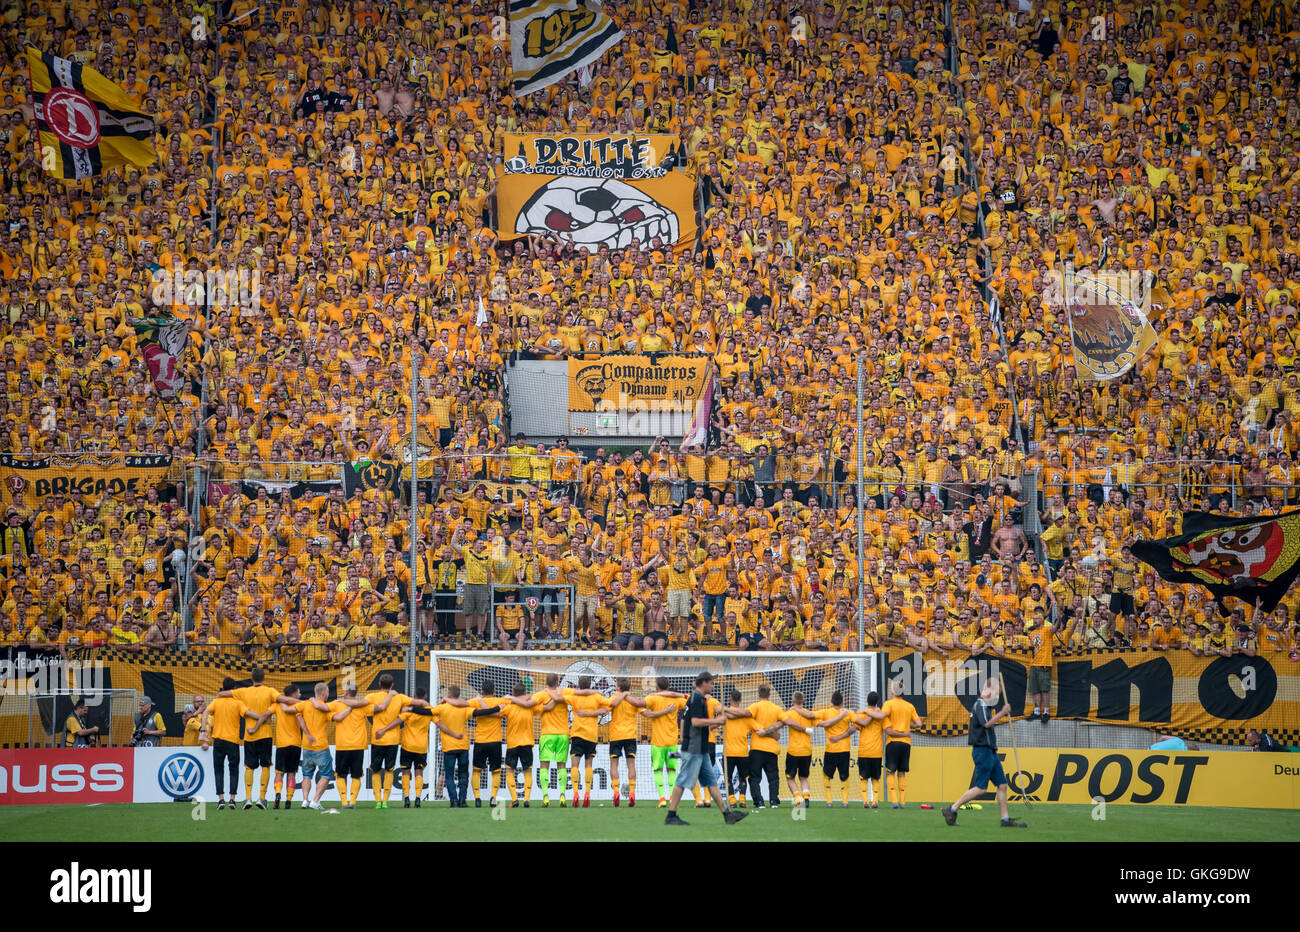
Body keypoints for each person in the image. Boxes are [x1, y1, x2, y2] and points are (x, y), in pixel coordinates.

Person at [663, 671, 749, 827]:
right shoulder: (696, 699)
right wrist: (717, 721)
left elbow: (689, 722)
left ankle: (727, 814)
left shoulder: (697, 699)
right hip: (694, 748)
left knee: (711, 783)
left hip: (700, 749)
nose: (713, 686)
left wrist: (715, 723)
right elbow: (695, 722)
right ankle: (671, 815)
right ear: (703, 683)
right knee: (682, 781)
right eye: (711, 683)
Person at [941, 677, 1027, 828]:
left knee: (1002, 785)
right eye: (996, 694)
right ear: (988, 690)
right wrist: (1002, 712)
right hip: (982, 751)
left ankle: (1005, 820)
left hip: (990, 752)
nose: (996, 698)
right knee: (981, 788)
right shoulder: (980, 704)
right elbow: (986, 723)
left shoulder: (984, 706)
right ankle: (952, 809)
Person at [201, 677, 272, 810]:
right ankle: (232, 799)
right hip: (233, 741)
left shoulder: (216, 702)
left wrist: (204, 728)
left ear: (223, 687)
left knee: (218, 770)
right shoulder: (237, 702)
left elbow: (205, 713)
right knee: (233, 771)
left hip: (218, 741)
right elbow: (249, 713)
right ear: (234, 688)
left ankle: (221, 799)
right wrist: (264, 719)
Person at [363, 674, 424, 809]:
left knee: (376, 770)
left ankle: (378, 801)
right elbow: (418, 702)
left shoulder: (373, 697)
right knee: (390, 771)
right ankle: (385, 801)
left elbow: (361, 703)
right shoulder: (400, 697)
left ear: (379, 684)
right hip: (393, 741)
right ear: (392, 685)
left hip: (377, 740)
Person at [275, 683, 335, 811]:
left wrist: (279, 700)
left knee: (307, 775)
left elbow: (287, 710)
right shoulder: (326, 708)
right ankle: (315, 801)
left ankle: (304, 800)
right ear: (324, 693)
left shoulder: (304, 704)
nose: (328, 694)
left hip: (307, 746)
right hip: (321, 746)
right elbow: (336, 717)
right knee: (326, 775)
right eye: (328, 692)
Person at [640, 677, 689, 807]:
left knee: (658, 770)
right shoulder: (677, 700)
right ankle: (673, 797)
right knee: (672, 769)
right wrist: (679, 695)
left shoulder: (653, 699)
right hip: (673, 743)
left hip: (657, 744)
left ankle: (662, 798)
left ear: (657, 687)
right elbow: (691, 701)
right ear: (668, 686)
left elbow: (641, 706)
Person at [328, 687, 376, 809]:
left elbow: (322, 708)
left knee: (340, 775)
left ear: (346, 693)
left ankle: (344, 802)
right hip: (358, 746)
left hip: (342, 746)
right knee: (356, 775)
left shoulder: (336, 704)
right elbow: (378, 709)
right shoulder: (362, 707)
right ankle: (353, 801)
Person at [564, 675, 608, 807]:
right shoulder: (597, 697)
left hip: (577, 734)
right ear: (590, 685)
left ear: (578, 685)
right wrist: (591, 712)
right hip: (591, 735)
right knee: (589, 765)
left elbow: (559, 696)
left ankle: (576, 793)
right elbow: (606, 709)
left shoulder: (574, 696)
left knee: (574, 766)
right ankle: (587, 794)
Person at [530, 673, 571, 806]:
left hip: (547, 734)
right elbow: (579, 694)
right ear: (558, 683)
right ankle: (563, 795)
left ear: (546, 682)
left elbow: (529, 702)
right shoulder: (565, 691)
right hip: (563, 734)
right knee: (562, 765)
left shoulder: (542, 694)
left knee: (544, 765)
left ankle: (545, 796)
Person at [468, 679, 510, 808]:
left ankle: (477, 798)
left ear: (482, 691)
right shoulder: (500, 702)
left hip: (480, 741)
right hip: (495, 742)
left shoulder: (475, 701)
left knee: (476, 771)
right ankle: (493, 797)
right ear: (494, 691)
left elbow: (461, 704)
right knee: (496, 771)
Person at [881, 679, 922, 809]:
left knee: (890, 772)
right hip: (906, 744)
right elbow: (919, 724)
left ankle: (894, 801)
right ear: (903, 692)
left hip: (893, 742)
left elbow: (883, 716)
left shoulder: (888, 704)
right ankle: (902, 802)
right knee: (902, 773)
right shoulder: (909, 706)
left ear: (893, 691)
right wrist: (907, 725)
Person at [605, 677, 645, 806]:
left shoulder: (614, 698)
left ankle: (616, 792)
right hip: (630, 736)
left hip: (616, 736)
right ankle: (632, 793)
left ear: (618, 687)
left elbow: (610, 705)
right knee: (631, 765)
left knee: (613, 764)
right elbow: (644, 710)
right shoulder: (632, 701)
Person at [432, 686, 474, 807]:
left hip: (448, 746)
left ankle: (453, 800)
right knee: (463, 774)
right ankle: (462, 800)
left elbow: (430, 713)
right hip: (463, 745)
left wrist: (437, 720)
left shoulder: (441, 708)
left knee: (449, 775)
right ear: (458, 695)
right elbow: (476, 711)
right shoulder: (464, 708)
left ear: (449, 694)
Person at [502, 683, 541, 807]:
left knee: (509, 770)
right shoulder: (530, 707)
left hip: (513, 744)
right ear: (525, 694)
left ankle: (514, 799)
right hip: (527, 744)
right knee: (527, 772)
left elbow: (497, 713)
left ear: (513, 694)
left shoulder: (508, 707)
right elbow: (542, 707)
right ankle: (527, 799)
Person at [268, 684, 304, 809]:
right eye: (298, 692)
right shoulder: (298, 706)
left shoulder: (277, 705)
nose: (300, 695)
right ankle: (289, 800)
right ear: (293, 694)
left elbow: (267, 713)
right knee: (291, 773)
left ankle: (278, 794)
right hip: (295, 744)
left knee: (279, 773)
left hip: (281, 744)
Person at [815, 691, 853, 808]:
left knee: (827, 775)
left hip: (830, 750)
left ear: (831, 702)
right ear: (842, 702)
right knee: (844, 775)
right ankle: (845, 802)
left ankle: (829, 801)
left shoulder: (825, 712)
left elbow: (811, 716)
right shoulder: (848, 713)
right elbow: (857, 725)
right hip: (844, 750)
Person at [780, 691, 818, 808]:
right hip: (807, 750)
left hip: (794, 750)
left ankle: (798, 799)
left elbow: (780, 724)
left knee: (790, 778)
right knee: (803, 777)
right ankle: (806, 797)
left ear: (793, 701)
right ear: (803, 701)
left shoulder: (789, 713)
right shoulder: (808, 713)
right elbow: (818, 722)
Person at [853, 692, 888, 808]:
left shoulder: (862, 714)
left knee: (864, 777)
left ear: (867, 701)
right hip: (877, 752)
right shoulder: (880, 715)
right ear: (877, 701)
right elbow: (887, 728)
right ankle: (875, 801)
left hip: (864, 751)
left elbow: (855, 728)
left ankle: (865, 801)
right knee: (875, 778)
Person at [722, 688, 756, 808]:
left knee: (728, 778)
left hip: (728, 752)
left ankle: (732, 801)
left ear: (729, 699)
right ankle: (742, 800)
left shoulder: (724, 714)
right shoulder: (746, 716)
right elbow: (758, 729)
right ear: (741, 700)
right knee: (742, 778)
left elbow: (714, 724)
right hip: (743, 752)